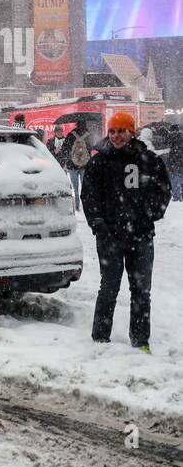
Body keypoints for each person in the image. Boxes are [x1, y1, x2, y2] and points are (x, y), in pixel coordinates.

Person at [81, 111, 172, 353]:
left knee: (141, 290)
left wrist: (149, 214)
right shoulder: (99, 162)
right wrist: (99, 225)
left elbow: (163, 191)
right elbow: (89, 197)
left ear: (132, 132)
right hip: (110, 237)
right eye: (112, 131)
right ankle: (100, 338)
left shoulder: (148, 160)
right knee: (109, 288)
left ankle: (140, 341)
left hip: (141, 236)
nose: (116, 136)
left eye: (122, 131)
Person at [60, 124, 92, 212]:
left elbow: (64, 149)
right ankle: (86, 205)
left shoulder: (70, 135)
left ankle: (77, 206)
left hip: (72, 165)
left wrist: (68, 157)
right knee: (85, 187)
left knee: (75, 188)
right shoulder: (88, 135)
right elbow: (91, 148)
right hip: (84, 165)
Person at [166, 124, 183, 202]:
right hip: (180, 160)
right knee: (180, 177)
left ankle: (176, 195)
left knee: (174, 177)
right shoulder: (181, 136)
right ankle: (180, 194)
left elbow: (167, 144)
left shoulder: (171, 136)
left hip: (173, 159)